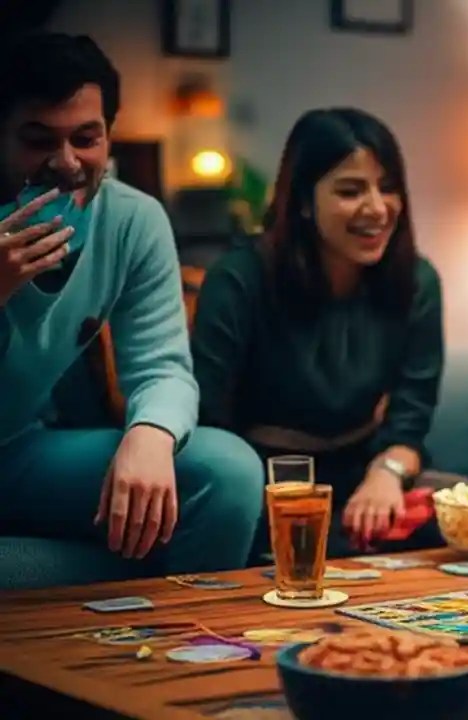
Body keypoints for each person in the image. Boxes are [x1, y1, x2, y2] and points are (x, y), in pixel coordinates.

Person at [0, 32, 262, 585]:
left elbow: (163, 366)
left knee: (228, 471)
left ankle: (179, 632)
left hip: (21, 453)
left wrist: (151, 434)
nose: (66, 163)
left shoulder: (131, 220)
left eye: (86, 139)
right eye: (38, 140)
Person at [191, 107, 445, 558]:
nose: (377, 208)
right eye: (350, 190)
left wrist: (385, 476)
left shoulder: (416, 280)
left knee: (467, 515)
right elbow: (208, 421)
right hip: (257, 480)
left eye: (388, 187)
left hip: (366, 473)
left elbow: (412, 415)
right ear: (304, 202)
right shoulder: (238, 279)